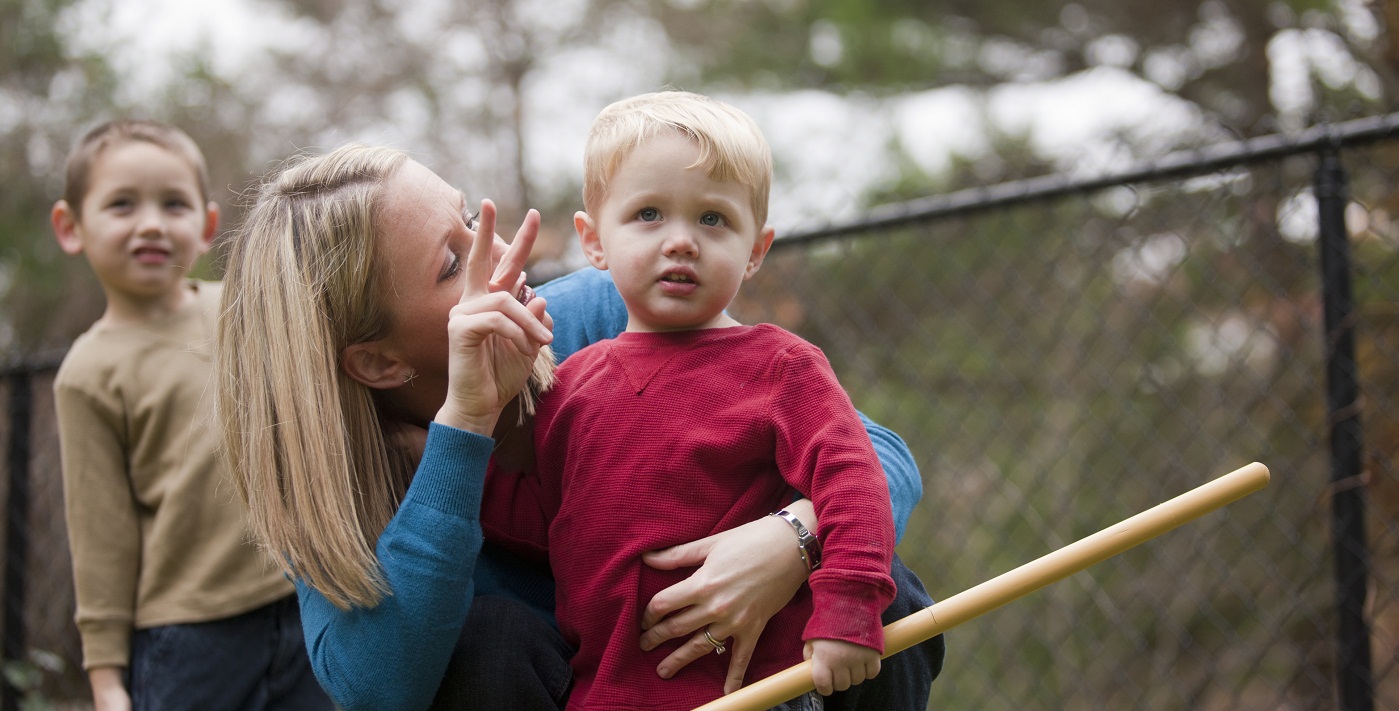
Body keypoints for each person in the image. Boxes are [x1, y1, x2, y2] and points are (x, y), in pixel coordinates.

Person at [216, 142, 942, 711]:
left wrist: (792, 538)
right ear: (375, 361)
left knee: (888, 591)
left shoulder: (599, 318)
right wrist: (464, 428)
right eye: (452, 262)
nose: (501, 254)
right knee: (487, 646)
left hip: (731, 674)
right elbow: (379, 688)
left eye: (472, 218)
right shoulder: (329, 486)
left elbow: (874, 454)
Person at [482, 90, 894, 710]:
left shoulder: (782, 367)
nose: (681, 241)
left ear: (756, 250)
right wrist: (462, 431)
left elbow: (854, 483)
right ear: (594, 242)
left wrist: (849, 609)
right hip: (608, 696)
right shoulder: (567, 388)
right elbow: (535, 522)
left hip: (758, 690)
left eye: (712, 219)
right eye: (648, 214)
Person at [48, 120, 332, 711]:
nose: (151, 222)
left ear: (205, 227)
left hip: (304, 596)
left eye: (172, 204)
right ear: (70, 227)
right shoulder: (87, 372)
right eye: (122, 204)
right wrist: (105, 678)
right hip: (190, 638)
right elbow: (101, 535)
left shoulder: (244, 305)